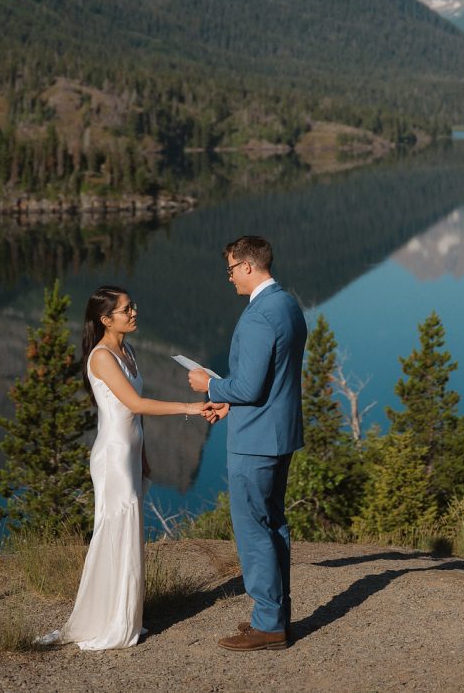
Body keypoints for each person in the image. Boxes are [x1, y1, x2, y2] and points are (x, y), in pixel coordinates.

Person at [36, 285, 209, 651]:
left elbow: (134, 417)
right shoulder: (101, 357)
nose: (134, 313)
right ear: (105, 319)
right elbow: (135, 404)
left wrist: (143, 456)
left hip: (129, 455)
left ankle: (126, 616)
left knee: (128, 533)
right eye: (126, 309)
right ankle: (108, 620)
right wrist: (189, 408)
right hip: (113, 457)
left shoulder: (126, 350)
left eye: (132, 306)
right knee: (114, 531)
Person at [188, 236, 307, 651]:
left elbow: (250, 387)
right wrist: (229, 402)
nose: (230, 278)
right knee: (273, 524)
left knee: (253, 530)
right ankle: (274, 615)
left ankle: (269, 626)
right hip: (279, 433)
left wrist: (211, 386)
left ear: (248, 266)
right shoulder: (288, 304)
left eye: (231, 269)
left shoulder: (259, 315)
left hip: (255, 441)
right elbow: (273, 380)